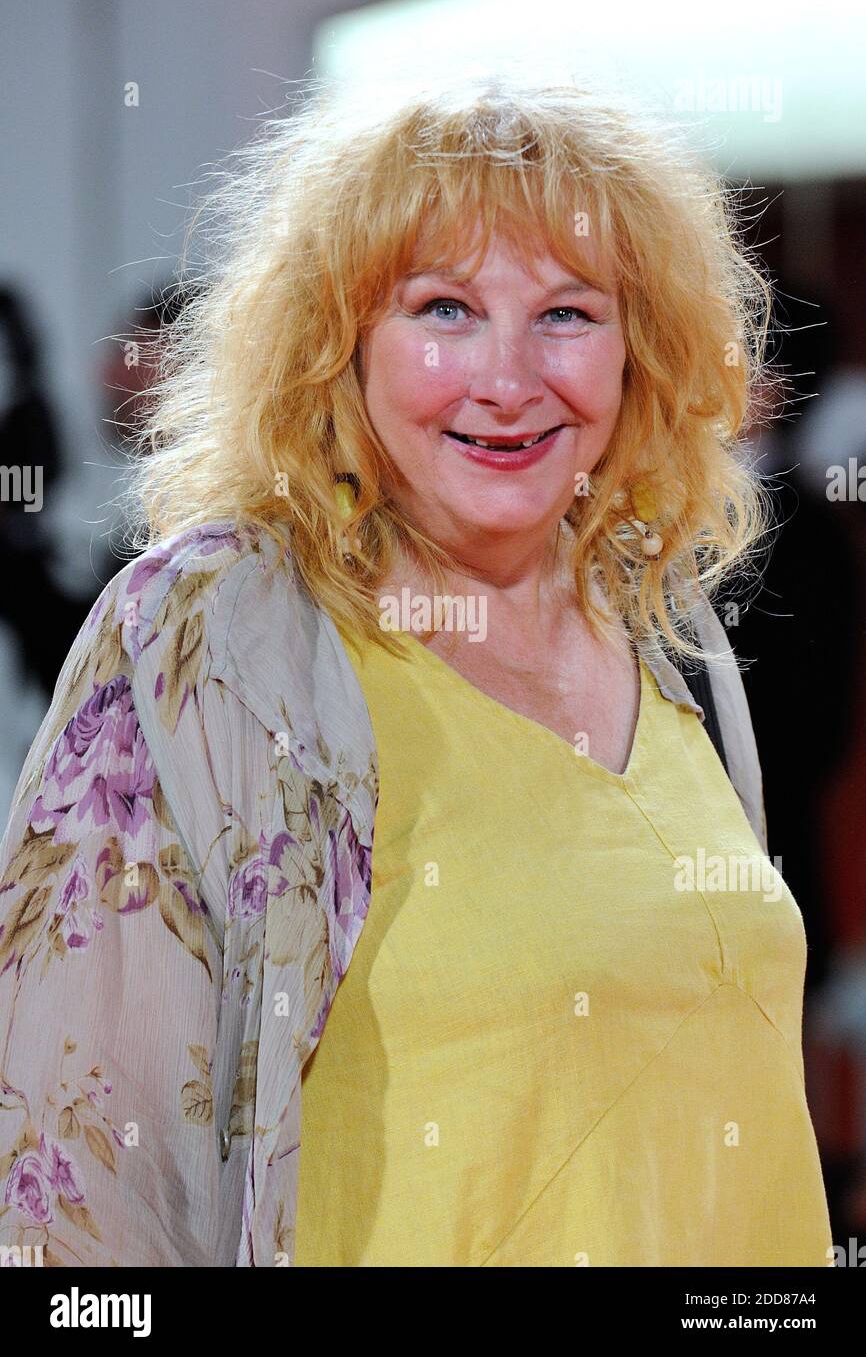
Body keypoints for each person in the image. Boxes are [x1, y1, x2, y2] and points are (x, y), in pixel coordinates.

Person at [0, 76, 833, 1267]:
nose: (505, 379)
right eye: (441, 310)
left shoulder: (668, 626)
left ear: (638, 350)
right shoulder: (217, 629)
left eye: (566, 314)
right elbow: (66, 1180)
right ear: (338, 346)